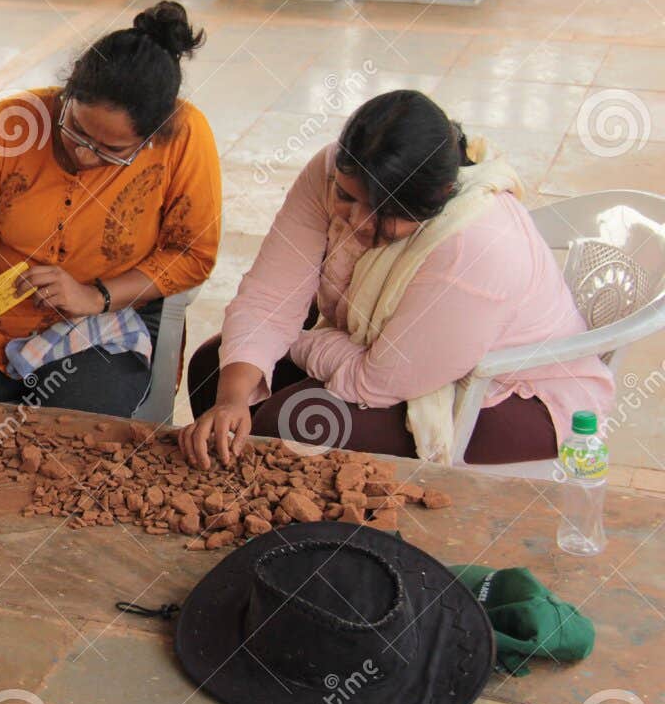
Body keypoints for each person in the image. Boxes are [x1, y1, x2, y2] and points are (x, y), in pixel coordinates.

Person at [181, 90, 615, 469]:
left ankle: (326, 534)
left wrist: (295, 340)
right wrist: (231, 399)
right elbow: (271, 293)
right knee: (213, 370)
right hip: (393, 354)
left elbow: (374, 380)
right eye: (346, 198)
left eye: (384, 213)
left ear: (438, 200)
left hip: (511, 393)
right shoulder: (332, 170)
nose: (357, 222)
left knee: (289, 423)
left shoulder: (475, 244)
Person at [0, 1, 222, 418]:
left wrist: (95, 296)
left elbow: (191, 253)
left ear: (150, 138)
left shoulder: (183, 137)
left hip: (103, 328)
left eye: (112, 151)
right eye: (76, 130)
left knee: (73, 429)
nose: (85, 155)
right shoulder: (13, 123)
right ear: (67, 92)